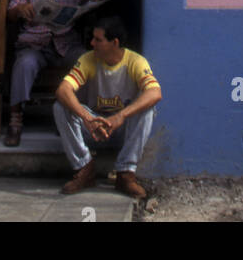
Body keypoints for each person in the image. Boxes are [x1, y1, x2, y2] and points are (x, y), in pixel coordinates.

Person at [54, 16, 162, 199]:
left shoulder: (136, 61)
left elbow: (155, 93)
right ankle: (84, 168)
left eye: (98, 39)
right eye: (93, 38)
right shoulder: (88, 59)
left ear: (115, 42)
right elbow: (63, 90)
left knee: (147, 110)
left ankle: (126, 173)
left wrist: (119, 117)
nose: (92, 43)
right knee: (60, 107)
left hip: (121, 130)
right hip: (94, 127)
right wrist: (87, 118)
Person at [4, 0, 98, 147]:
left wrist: (91, 2)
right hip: (35, 44)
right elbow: (10, 13)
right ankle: (15, 120)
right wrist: (20, 9)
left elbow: (83, 1)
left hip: (65, 43)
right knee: (24, 65)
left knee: (86, 61)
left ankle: (68, 114)